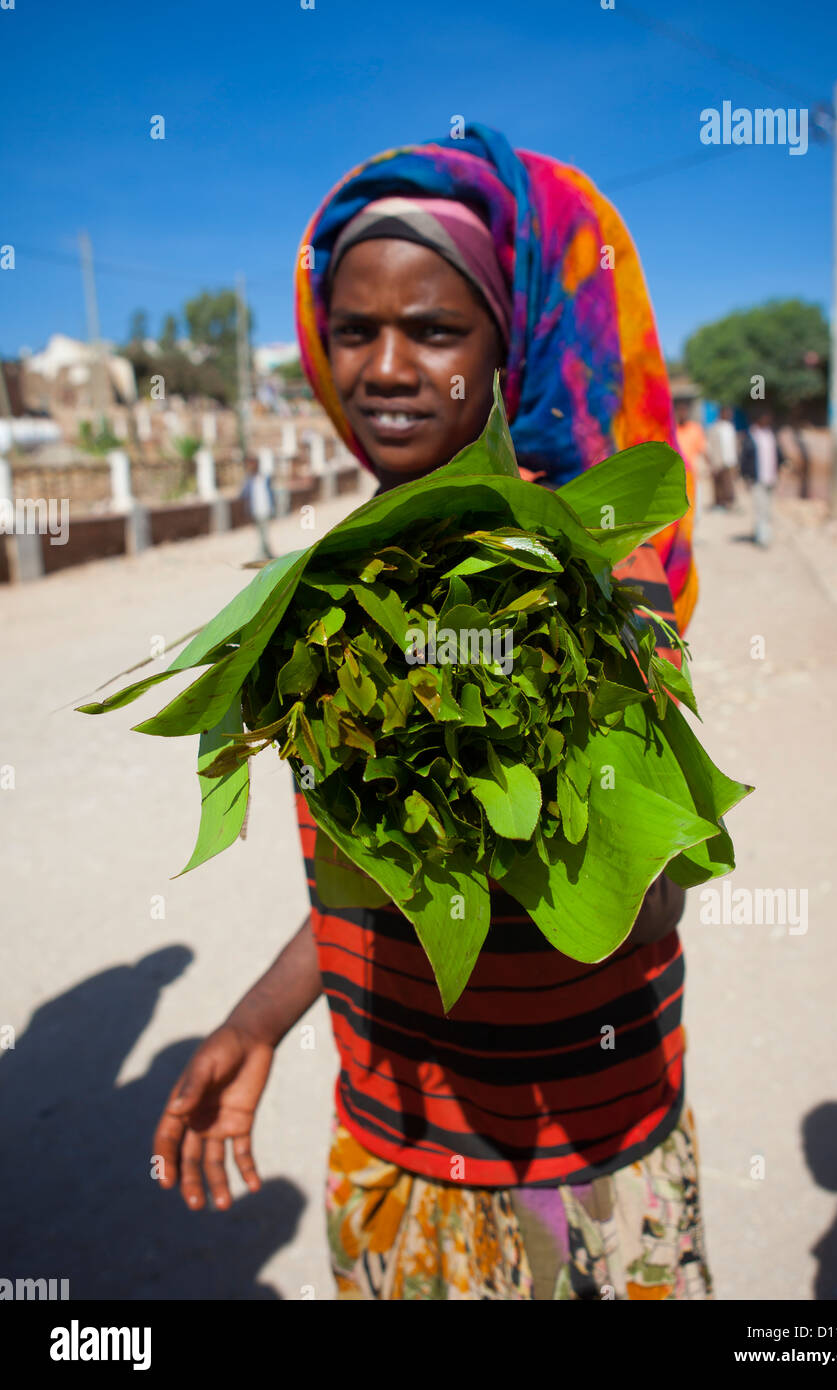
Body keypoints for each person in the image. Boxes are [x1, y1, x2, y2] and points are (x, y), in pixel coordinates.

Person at [153, 124, 711, 1301]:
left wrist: (556, 746)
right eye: (354, 330)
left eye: (436, 329)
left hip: (583, 1163)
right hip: (396, 1149)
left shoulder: (596, 574)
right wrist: (257, 1021)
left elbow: (649, 906)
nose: (388, 366)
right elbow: (376, 877)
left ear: (509, 347)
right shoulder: (318, 598)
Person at [740, 409, 785, 548]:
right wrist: (746, 477)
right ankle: (762, 537)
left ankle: (764, 532)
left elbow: (778, 454)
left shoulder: (771, 435)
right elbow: (745, 459)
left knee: (768, 508)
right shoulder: (751, 436)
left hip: (770, 477)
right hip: (757, 478)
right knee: (759, 507)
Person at [673, 397, 707, 517]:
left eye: (684, 410)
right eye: (679, 411)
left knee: (694, 512)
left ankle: (691, 535)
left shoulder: (695, 429)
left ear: (687, 412)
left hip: (693, 475)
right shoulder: (672, 430)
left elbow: (703, 450)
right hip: (676, 478)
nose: (682, 413)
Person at [238, 455, 276, 560]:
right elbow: (242, 494)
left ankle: (261, 554)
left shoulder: (265, 478)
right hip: (255, 510)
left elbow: (271, 493)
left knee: (263, 532)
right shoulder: (249, 480)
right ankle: (268, 553)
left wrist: (273, 507)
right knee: (261, 533)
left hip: (265, 509)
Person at [707, 404, 738, 509]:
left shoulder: (730, 427)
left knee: (729, 483)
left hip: (730, 461)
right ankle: (719, 503)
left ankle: (729, 503)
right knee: (718, 484)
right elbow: (710, 446)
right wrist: (712, 462)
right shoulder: (715, 428)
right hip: (719, 461)